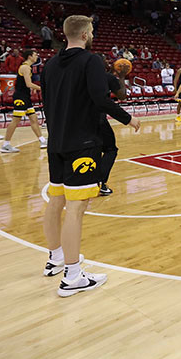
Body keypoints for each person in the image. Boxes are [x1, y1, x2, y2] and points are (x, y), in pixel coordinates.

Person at [40, 15, 141, 297]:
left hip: (56, 142)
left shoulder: (49, 63)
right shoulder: (91, 60)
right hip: (81, 143)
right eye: (92, 30)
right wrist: (127, 118)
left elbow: (46, 103)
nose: (93, 34)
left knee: (56, 200)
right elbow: (100, 97)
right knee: (76, 208)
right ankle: (72, 276)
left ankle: (56, 257)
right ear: (85, 35)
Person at [1, 50, 47, 153]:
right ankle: (6, 144)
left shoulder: (27, 67)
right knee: (16, 120)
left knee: (34, 119)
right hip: (20, 97)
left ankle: (42, 140)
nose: (37, 56)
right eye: (35, 54)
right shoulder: (25, 67)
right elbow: (28, 84)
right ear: (30, 56)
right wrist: (42, 88)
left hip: (25, 96)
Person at [95, 55, 127, 197]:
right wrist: (121, 77)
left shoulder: (81, 76)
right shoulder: (108, 77)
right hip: (98, 118)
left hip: (78, 119)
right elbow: (122, 96)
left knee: (91, 150)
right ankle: (100, 183)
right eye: (105, 60)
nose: (108, 62)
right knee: (110, 149)